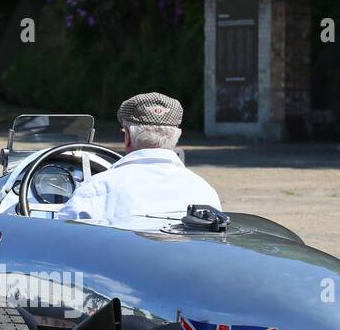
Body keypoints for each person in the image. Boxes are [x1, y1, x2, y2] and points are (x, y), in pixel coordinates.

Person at [56, 92, 222, 229]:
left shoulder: (97, 189)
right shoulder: (204, 191)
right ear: (177, 137)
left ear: (127, 136)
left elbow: (65, 241)